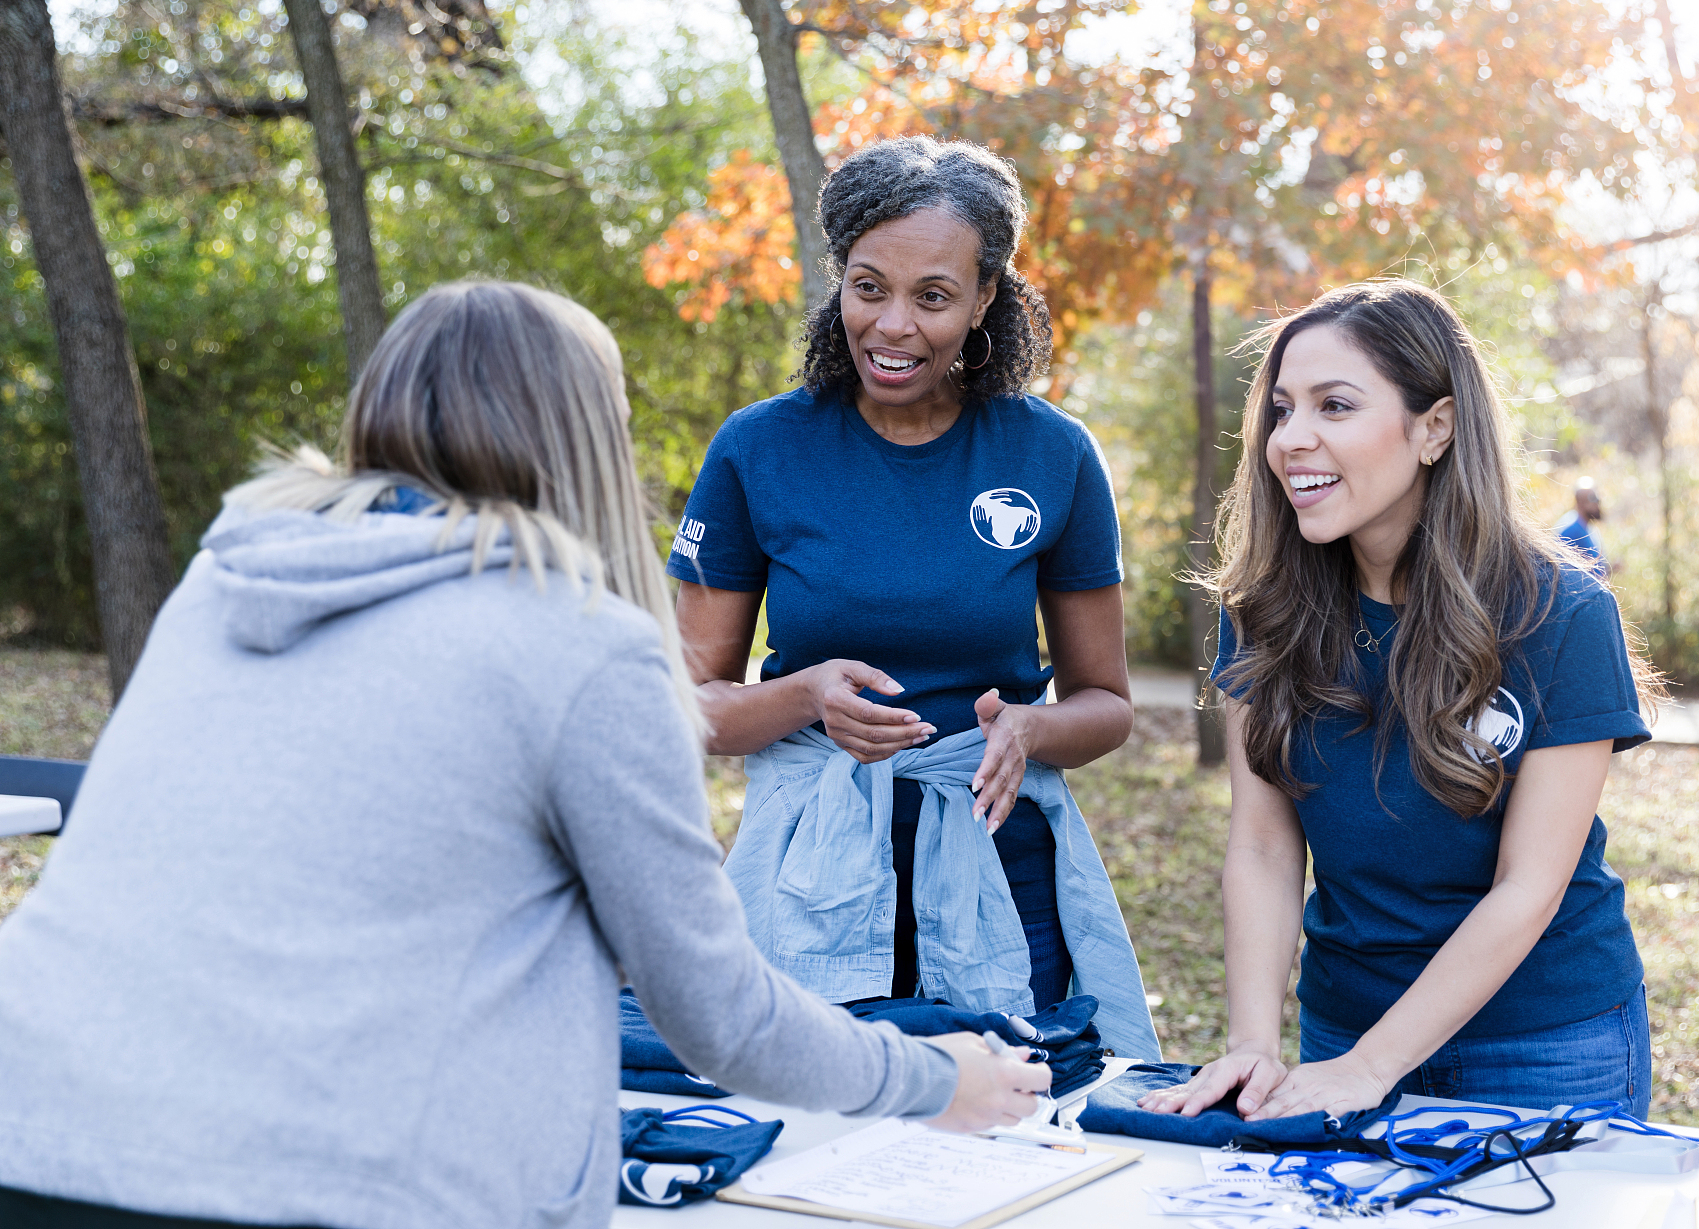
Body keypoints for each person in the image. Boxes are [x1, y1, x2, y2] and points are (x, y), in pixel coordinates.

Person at [0, 281, 1046, 1229]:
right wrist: (930, 1078)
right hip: (314, 1183)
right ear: (588, 439)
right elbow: (716, 1015)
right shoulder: (582, 648)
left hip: (38, 1129)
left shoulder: (225, 586)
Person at [672, 136, 1159, 1060]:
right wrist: (803, 697)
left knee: (1013, 1127)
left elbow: (1108, 705)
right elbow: (692, 706)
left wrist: (1029, 729)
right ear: (838, 282)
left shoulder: (1050, 456)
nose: (893, 325)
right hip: (809, 870)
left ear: (984, 299)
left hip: (1000, 868)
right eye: (869, 287)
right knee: (815, 1139)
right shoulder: (758, 450)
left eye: (932, 296)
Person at [1140, 279, 1660, 1123]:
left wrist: (1373, 1067)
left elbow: (1527, 887)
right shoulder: (1265, 612)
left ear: (1436, 427)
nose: (1291, 439)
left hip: (1543, 1044)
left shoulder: (1562, 612)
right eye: (1281, 409)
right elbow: (1266, 848)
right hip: (1342, 1028)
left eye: (1334, 406)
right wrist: (1252, 1046)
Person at [1556, 476, 1607, 578]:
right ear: (1580, 502)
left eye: (1598, 498)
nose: (1597, 503)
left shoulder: (1588, 528)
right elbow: (1560, 569)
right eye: (1593, 498)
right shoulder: (1571, 529)